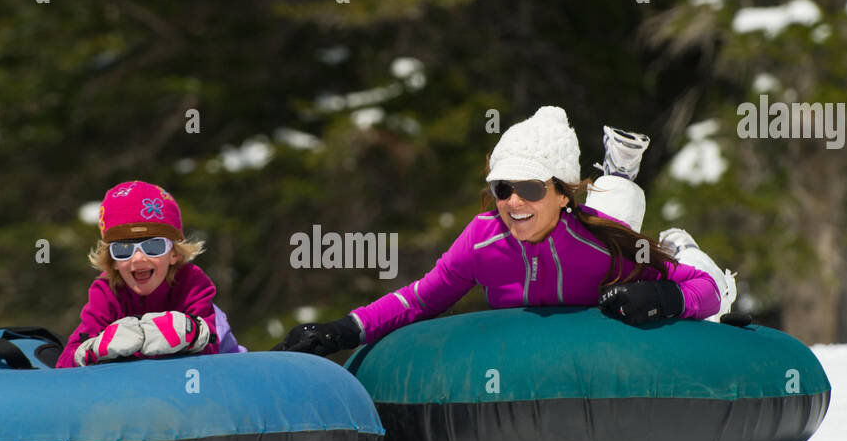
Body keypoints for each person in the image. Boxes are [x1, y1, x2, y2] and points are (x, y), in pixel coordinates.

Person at [275, 106, 736, 356]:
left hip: (605, 229)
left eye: (531, 188)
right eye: (502, 187)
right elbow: (419, 299)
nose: (514, 202)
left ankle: (628, 180)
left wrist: (664, 298)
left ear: (561, 193)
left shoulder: (600, 245)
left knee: (621, 215)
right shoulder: (483, 239)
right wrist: (343, 330)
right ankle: (617, 171)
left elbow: (706, 290)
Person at [56, 180, 245, 367]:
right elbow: (64, 364)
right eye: (123, 249)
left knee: (220, 326)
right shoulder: (106, 294)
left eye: (153, 246)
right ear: (112, 261)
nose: (138, 259)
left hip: (212, 372)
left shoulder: (192, 285)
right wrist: (94, 350)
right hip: (140, 389)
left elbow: (214, 353)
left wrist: (191, 335)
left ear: (174, 253)